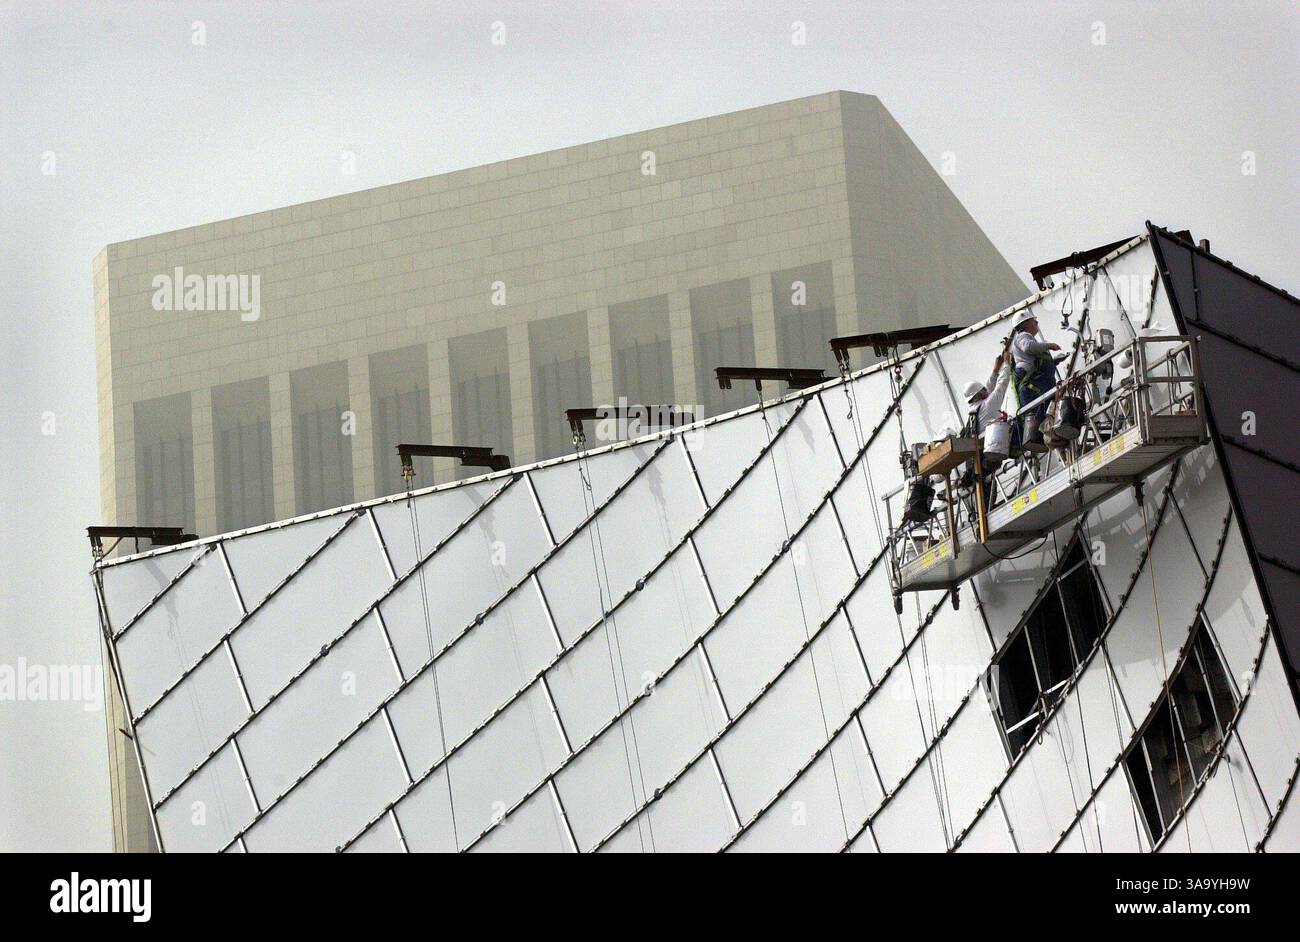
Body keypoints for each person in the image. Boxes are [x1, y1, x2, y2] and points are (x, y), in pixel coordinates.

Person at [1009, 311, 1064, 452]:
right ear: (1025, 323)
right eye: (1034, 320)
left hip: (1035, 387)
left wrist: (1054, 362)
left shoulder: (1026, 338)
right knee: (1038, 415)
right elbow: (1028, 347)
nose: (1037, 323)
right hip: (1032, 388)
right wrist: (1049, 345)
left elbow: (1035, 361)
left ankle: (1044, 437)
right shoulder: (1023, 336)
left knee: (1042, 414)